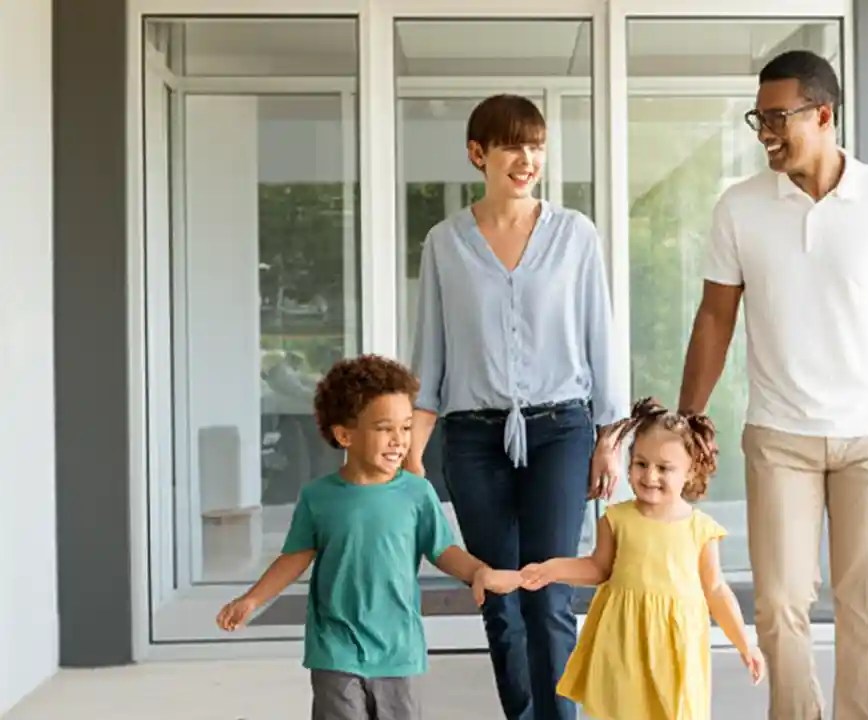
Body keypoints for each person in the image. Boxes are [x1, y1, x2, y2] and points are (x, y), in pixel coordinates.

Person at [677, 50, 868, 720]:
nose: (765, 131)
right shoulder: (740, 208)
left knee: (864, 603)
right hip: (780, 434)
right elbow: (716, 317)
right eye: (759, 118)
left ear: (824, 114)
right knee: (778, 602)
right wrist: (687, 421)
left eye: (778, 117)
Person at [405, 94, 627, 720]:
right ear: (478, 154)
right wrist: (413, 452)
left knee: (547, 592)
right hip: (473, 438)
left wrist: (608, 440)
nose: (526, 159)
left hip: (561, 430)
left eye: (536, 145)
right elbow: (431, 355)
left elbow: (600, 338)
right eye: (511, 146)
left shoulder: (575, 235)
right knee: (496, 595)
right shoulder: (445, 244)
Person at [215, 354, 523, 719]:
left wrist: (477, 572)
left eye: (406, 428)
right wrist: (252, 600)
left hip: (398, 651)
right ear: (345, 434)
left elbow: (442, 549)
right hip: (336, 648)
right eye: (384, 428)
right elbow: (294, 557)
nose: (399, 441)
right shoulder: (319, 497)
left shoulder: (416, 493)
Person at [520, 397, 766, 720]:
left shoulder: (701, 530)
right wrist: (552, 569)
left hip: (678, 651)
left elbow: (716, 590)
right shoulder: (616, 519)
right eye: (640, 463)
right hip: (626, 646)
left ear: (690, 470)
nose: (650, 476)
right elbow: (597, 568)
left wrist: (745, 644)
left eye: (664, 468)